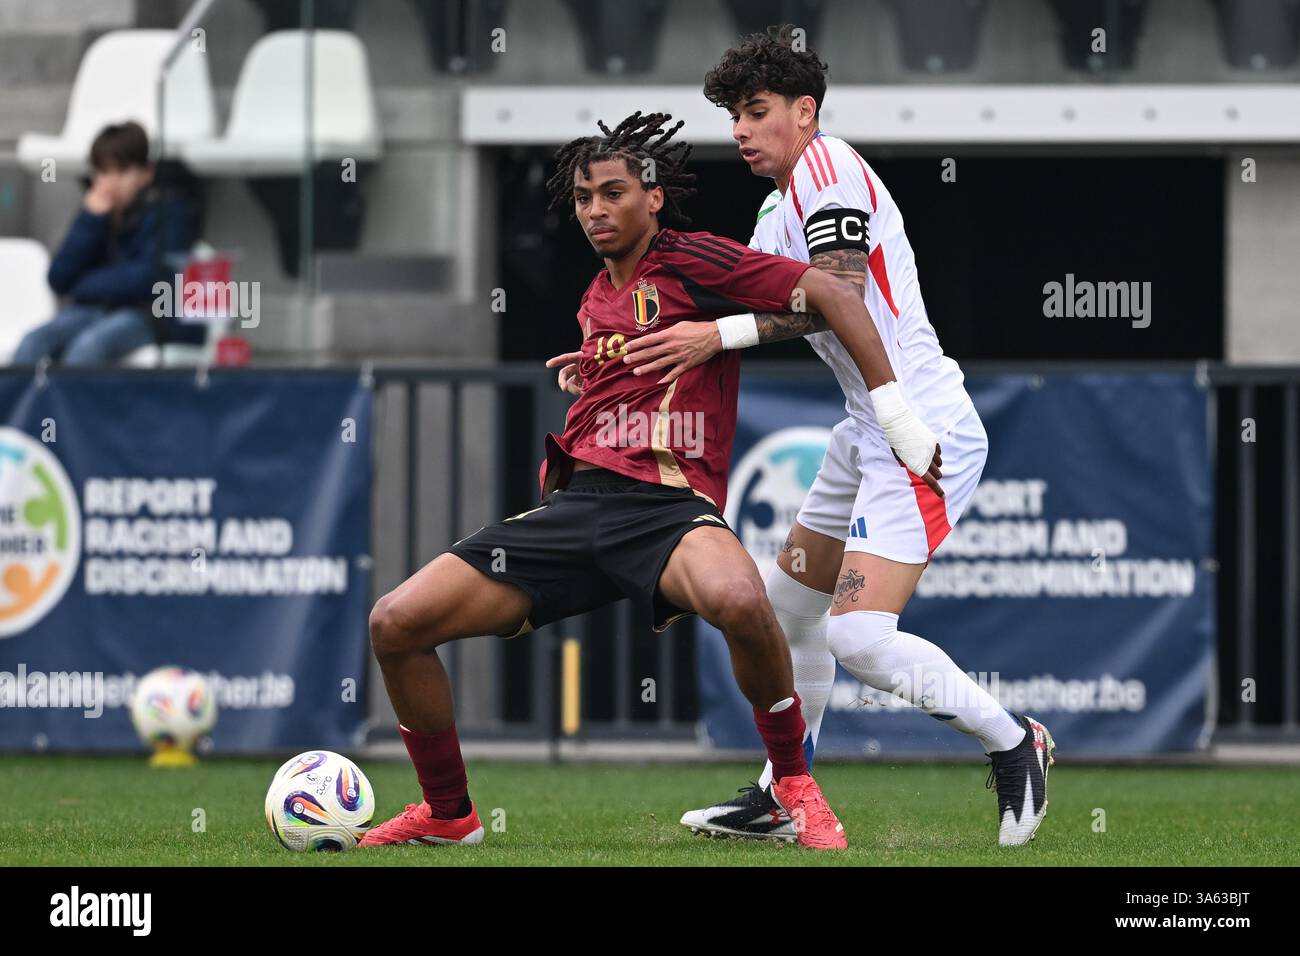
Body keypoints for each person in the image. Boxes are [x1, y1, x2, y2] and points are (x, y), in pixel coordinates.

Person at [362, 111, 938, 851]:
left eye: (612, 192)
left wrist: (893, 413)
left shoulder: (695, 260)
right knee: (395, 624)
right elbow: (634, 364)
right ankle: (449, 814)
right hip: (577, 509)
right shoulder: (596, 296)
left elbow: (833, 294)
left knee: (741, 599)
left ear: (654, 196)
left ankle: (793, 786)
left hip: (668, 514)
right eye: (583, 198)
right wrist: (592, 370)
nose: (596, 210)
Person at [621, 28, 1055, 847]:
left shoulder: (830, 169)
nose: (742, 131)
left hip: (918, 430)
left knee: (857, 634)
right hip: (865, 432)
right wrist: (616, 345)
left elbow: (839, 293)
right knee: (788, 610)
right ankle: (786, 793)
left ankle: (1012, 740)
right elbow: (738, 303)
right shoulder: (777, 202)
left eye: (757, 112)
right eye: (733, 117)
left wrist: (718, 339)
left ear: (805, 111)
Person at [14, 121, 200, 366]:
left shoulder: (169, 211)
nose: (110, 182)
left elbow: (151, 279)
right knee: (33, 342)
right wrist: (89, 221)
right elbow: (58, 278)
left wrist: (83, 284)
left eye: (121, 171)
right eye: (103, 172)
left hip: (149, 315)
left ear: (147, 173)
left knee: (89, 346)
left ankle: (74, 407)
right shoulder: (96, 214)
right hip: (94, 311)